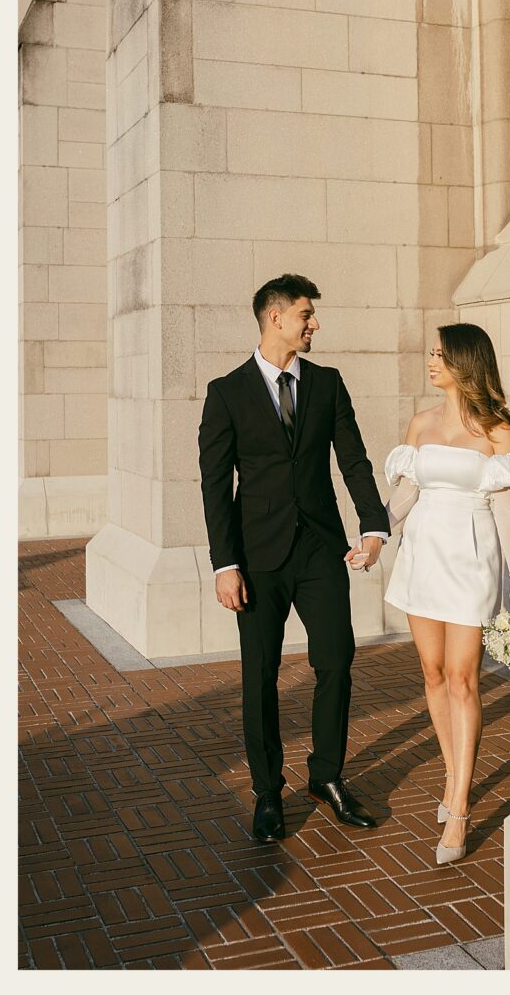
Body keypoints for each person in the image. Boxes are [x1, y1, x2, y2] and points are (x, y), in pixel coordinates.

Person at [197, 274, 389, 844]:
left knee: (336, 660)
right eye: (306, 315)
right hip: (256, 559)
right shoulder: (226, 392)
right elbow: (214, 485)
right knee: (260, 675)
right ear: (275, 318)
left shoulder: (328, 384)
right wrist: (224, 563)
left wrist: (373, 525)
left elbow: (353, 460)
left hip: (319, 550)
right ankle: (266, 791)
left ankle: (326, 777)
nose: (314, 324)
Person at [382, 322, 510, 865]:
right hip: (422, 555)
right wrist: (373, 539)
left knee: (463, 678)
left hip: (472, 558)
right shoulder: (420, 422)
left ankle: (458, 806)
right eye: (431, 353)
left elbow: (506, 509)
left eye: (440, 355)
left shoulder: (496, 430)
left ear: (465, 362)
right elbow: (407, 494)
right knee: (431, 673)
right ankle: (454, 773)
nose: (431, 362)